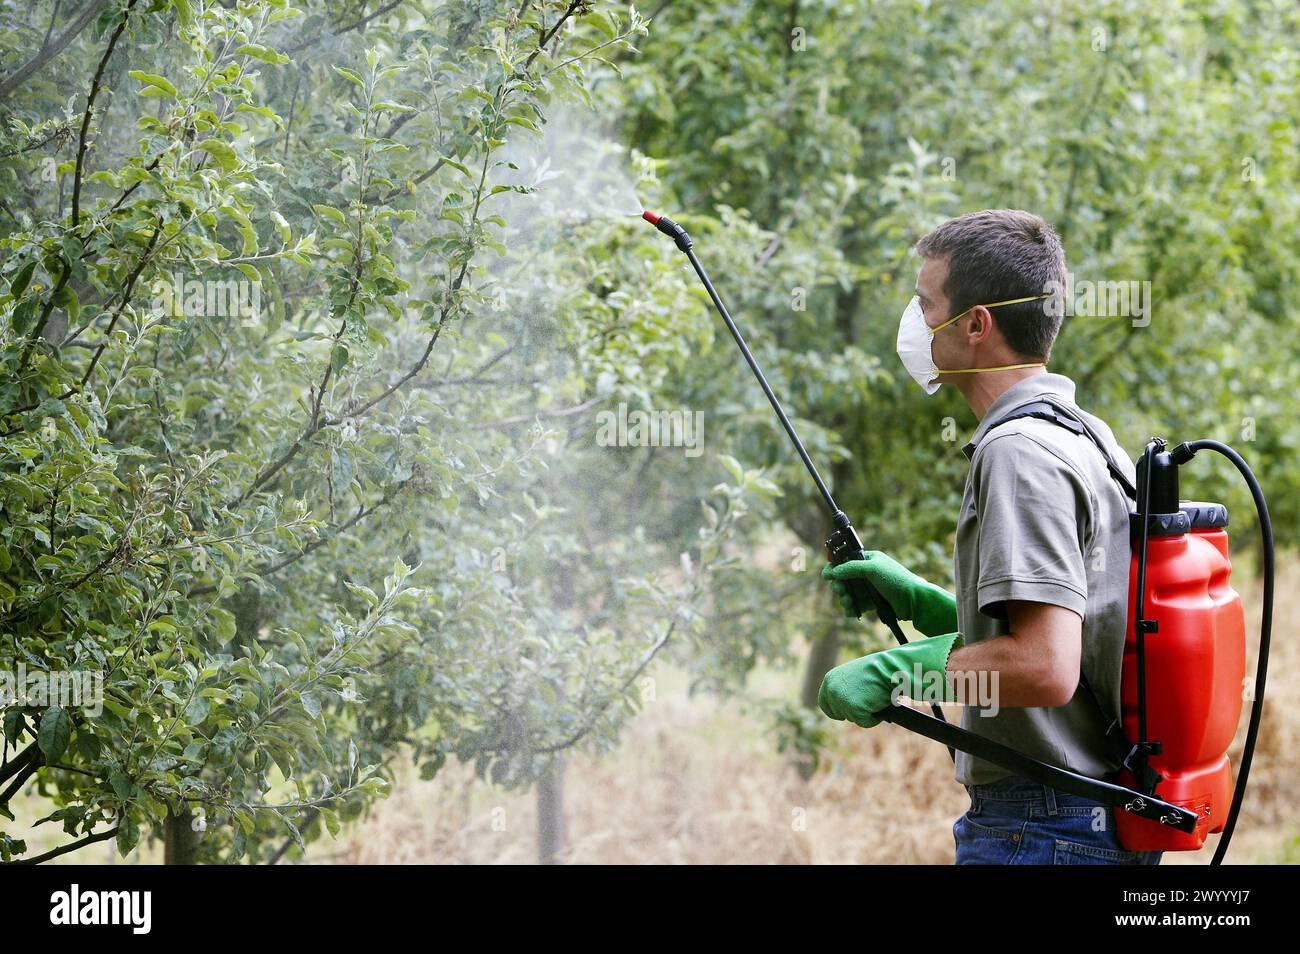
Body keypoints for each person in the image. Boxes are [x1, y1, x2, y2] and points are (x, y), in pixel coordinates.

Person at [816, 209, 1161, 865]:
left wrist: (897, 671)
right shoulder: (1084, 435)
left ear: (976, 324)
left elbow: (1043, 668)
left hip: (1044, 828)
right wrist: (924, 603)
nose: (914, 324)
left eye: (926, 305)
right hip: (1082, 816)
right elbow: (1077, 638)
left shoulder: (1019, 452)